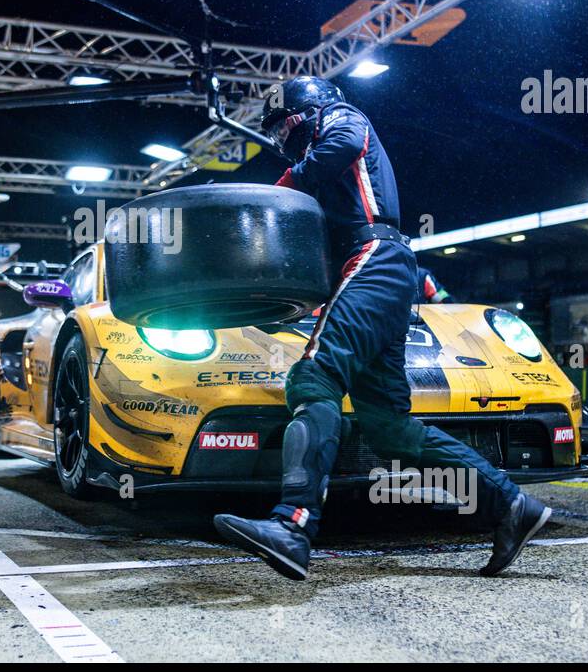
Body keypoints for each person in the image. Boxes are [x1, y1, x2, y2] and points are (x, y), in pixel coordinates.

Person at [212, 76, 551, 580]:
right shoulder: (327, 165)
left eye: (284, 126)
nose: (282, 139)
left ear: (307, 112)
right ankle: (511, 504)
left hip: (372, 258)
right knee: (390, 428)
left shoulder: (343, 119)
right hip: (388, 272)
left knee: (312, 379)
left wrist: (278, 190)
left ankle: (293, 524)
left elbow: (342, 145)